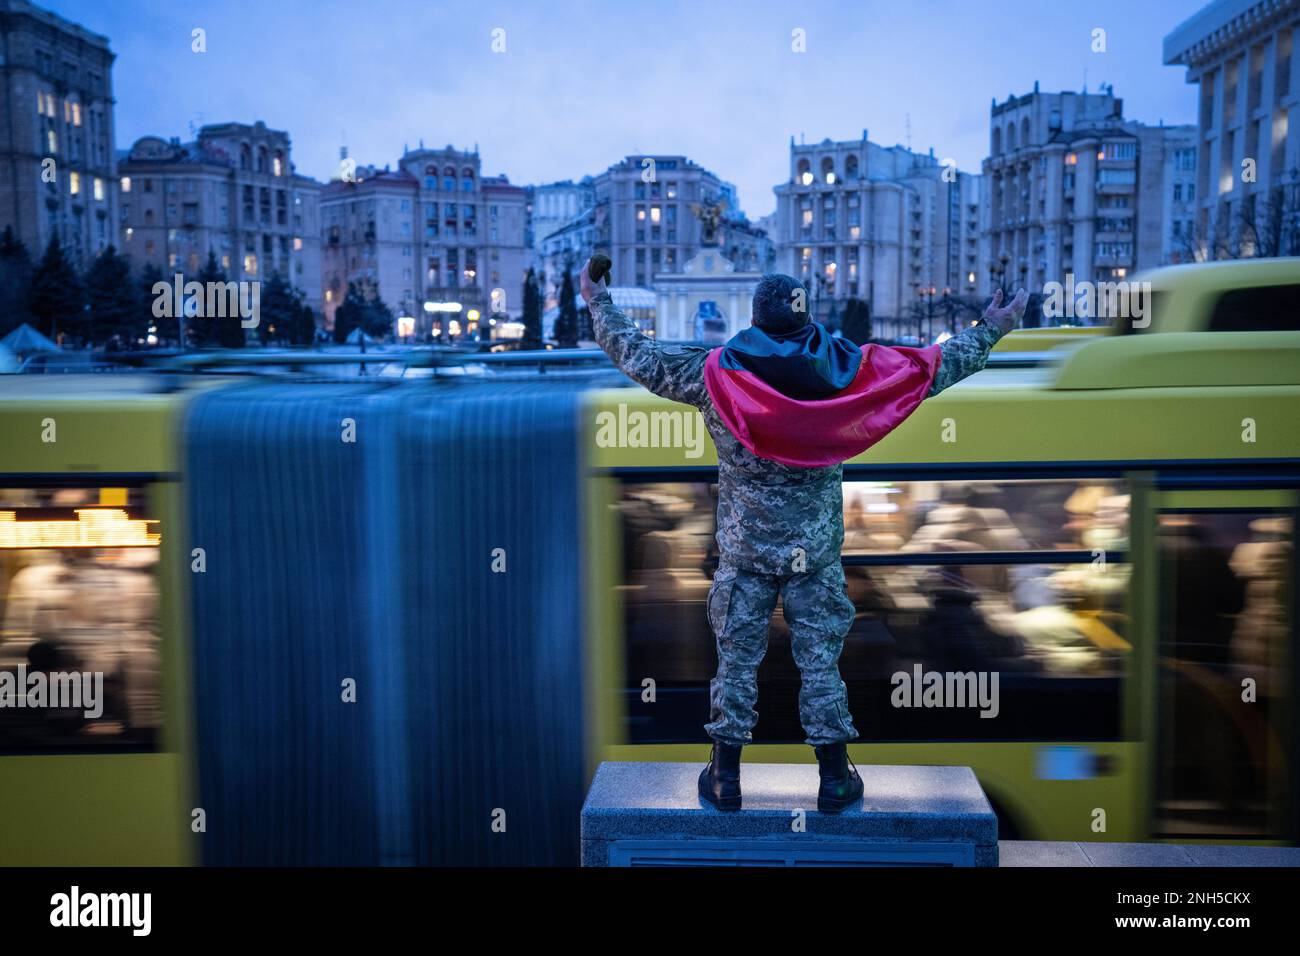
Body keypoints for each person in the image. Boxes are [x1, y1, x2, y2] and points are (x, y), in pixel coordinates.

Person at [582, 263, 1026, 812]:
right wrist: (992, 327)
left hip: (744, 556)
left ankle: (725, 779)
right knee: (821, 665)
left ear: (753, 318)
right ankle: (835, 781)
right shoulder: (847, 371)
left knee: (736, 663)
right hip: (812, 558)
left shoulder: (713, 374)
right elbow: (928, 370)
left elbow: (639, 357)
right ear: (807, 313)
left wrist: (599, 300)